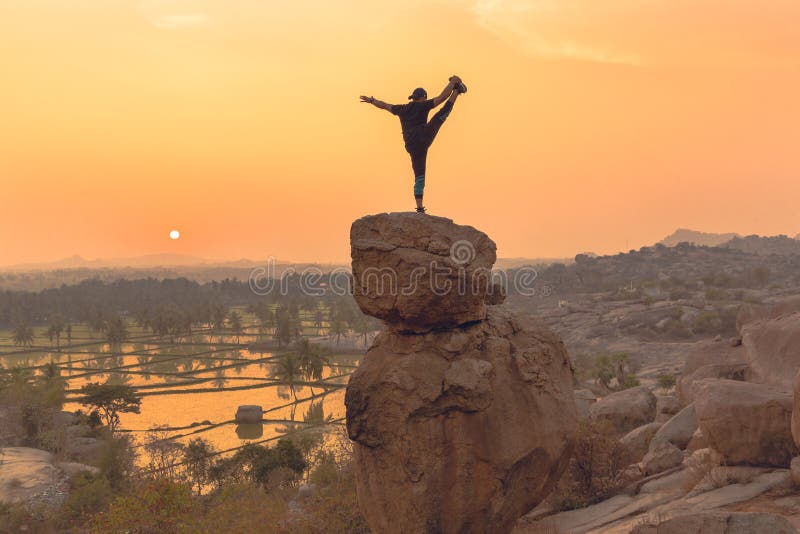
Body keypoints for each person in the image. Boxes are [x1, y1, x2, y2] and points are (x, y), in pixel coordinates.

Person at [360, 75, 467, 213]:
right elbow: (441, 98)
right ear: (423, 97)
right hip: (423, 136)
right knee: (441, 115)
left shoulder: (402, 109)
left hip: (411, 146)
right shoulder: (423, 105)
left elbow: (385, 105)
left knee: (419, 176)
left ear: (413, 98)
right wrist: (452, 83)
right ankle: (457, 91)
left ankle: (420, 207)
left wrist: (371, 100)